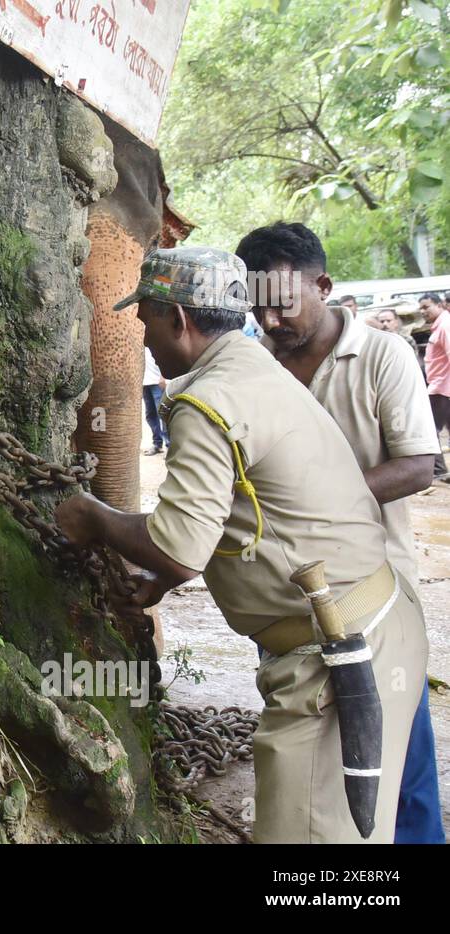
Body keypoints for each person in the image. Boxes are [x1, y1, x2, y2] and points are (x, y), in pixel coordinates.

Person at [55, 246, 427, 843]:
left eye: (145, 318)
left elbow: (179, 546)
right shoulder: (253, 368)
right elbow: (241, 508)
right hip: (373, 622)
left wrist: (95, 518)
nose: (143, 336)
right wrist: (165, 578)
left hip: (336, 658)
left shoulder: (207, 401)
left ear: (178, 319)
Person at [236, 221, 444, 844]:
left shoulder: (380, 356)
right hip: (287, 600)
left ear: (322, 286)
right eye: (257, 307)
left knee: (400, 756)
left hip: (373, 597)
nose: (270, 322)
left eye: (283, 304)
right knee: (320, 753)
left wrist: (318, 500)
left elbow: (419, 465)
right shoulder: (257, 366)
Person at [421, 293, 450, 481]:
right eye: (421, 308)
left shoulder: (445, 326)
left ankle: (438, 470)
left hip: (441, 387)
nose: (423, 312)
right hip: (441, 386)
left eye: (426, 307)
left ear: (440, 305)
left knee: (430, 430)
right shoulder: (439, 325)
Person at [142, 347, 168, 455]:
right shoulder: (138, 340)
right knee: (150, 415)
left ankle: (169, 445)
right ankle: (157, 444)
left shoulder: (153, 339)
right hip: (144, 383)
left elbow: (165, 357)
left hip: (157, 382)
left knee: (162, 415)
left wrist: (163, 377)